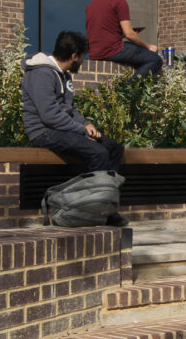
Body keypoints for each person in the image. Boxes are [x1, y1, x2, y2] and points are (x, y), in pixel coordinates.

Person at [22, 31, 127, 224]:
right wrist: (81, 131)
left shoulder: (65, 77)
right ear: (74, 56)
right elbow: (49, 116)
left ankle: (106, 207)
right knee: (98, 153)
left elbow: (71, 110)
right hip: (43, 131)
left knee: (114, 148)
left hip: (62, 128)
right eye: (83, 56)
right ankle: (93, 212)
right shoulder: (41, 74)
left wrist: (85, 124)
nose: (83, 60)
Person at [85, 0, 161, 77]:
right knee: (155, 59)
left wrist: (121, 34)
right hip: (112, 50)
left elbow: (101, 31)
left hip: (94, 53)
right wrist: (149, 46)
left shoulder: (91, 5)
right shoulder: (119, 1)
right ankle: (130, 90)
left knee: (133, 48)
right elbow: (130, 34)